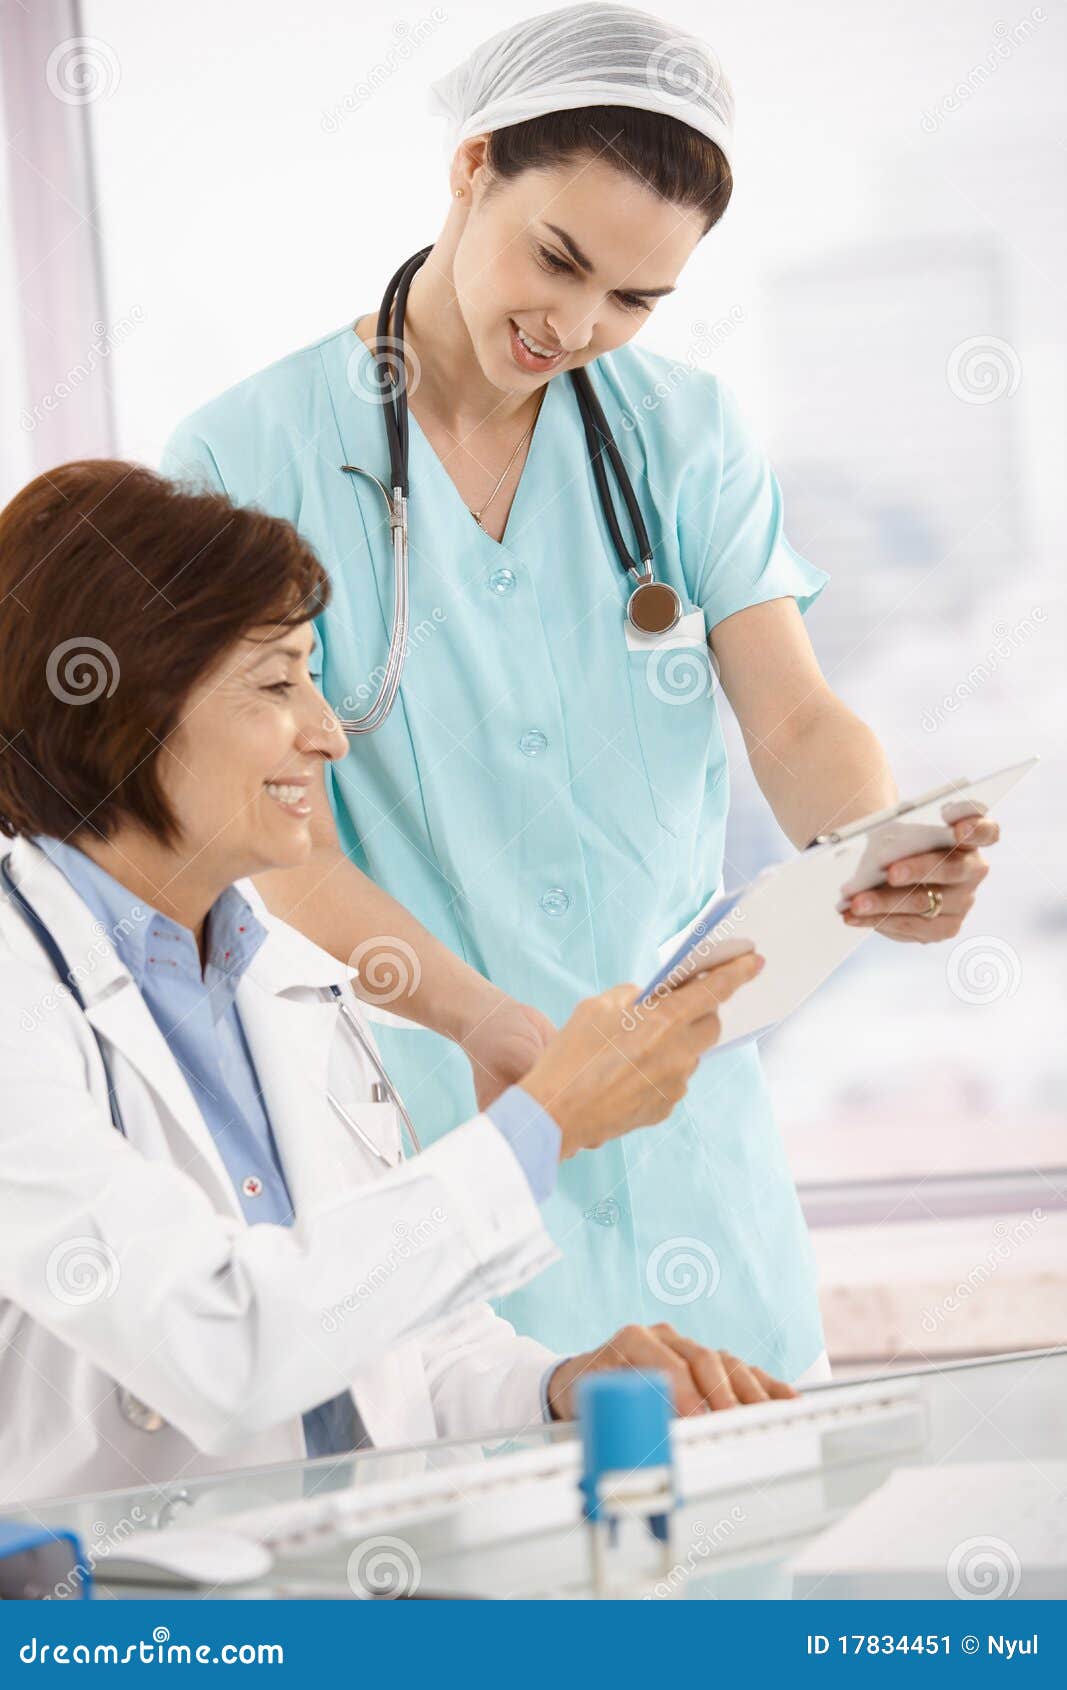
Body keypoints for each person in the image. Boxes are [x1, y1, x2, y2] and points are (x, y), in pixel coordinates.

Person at [160, 3, 999, 1384]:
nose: (576, 324)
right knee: (486, 1545)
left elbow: (788, 713)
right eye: (556, 259)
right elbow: (264, 829)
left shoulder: (684, 435)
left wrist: (874, 846)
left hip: (684, 1117)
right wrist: (496, 1033)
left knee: (732, 1550)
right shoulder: (245, 451)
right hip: (427, 1123)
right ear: (470, 165)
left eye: (633, 299)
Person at [0, 460, 793, 1508]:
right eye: (277, 682)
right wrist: (543, 1122)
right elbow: (223, 1349)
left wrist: (556, 1388)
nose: (327, 733)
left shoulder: (282, 979)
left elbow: (391, 1347)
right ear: (126, 700)